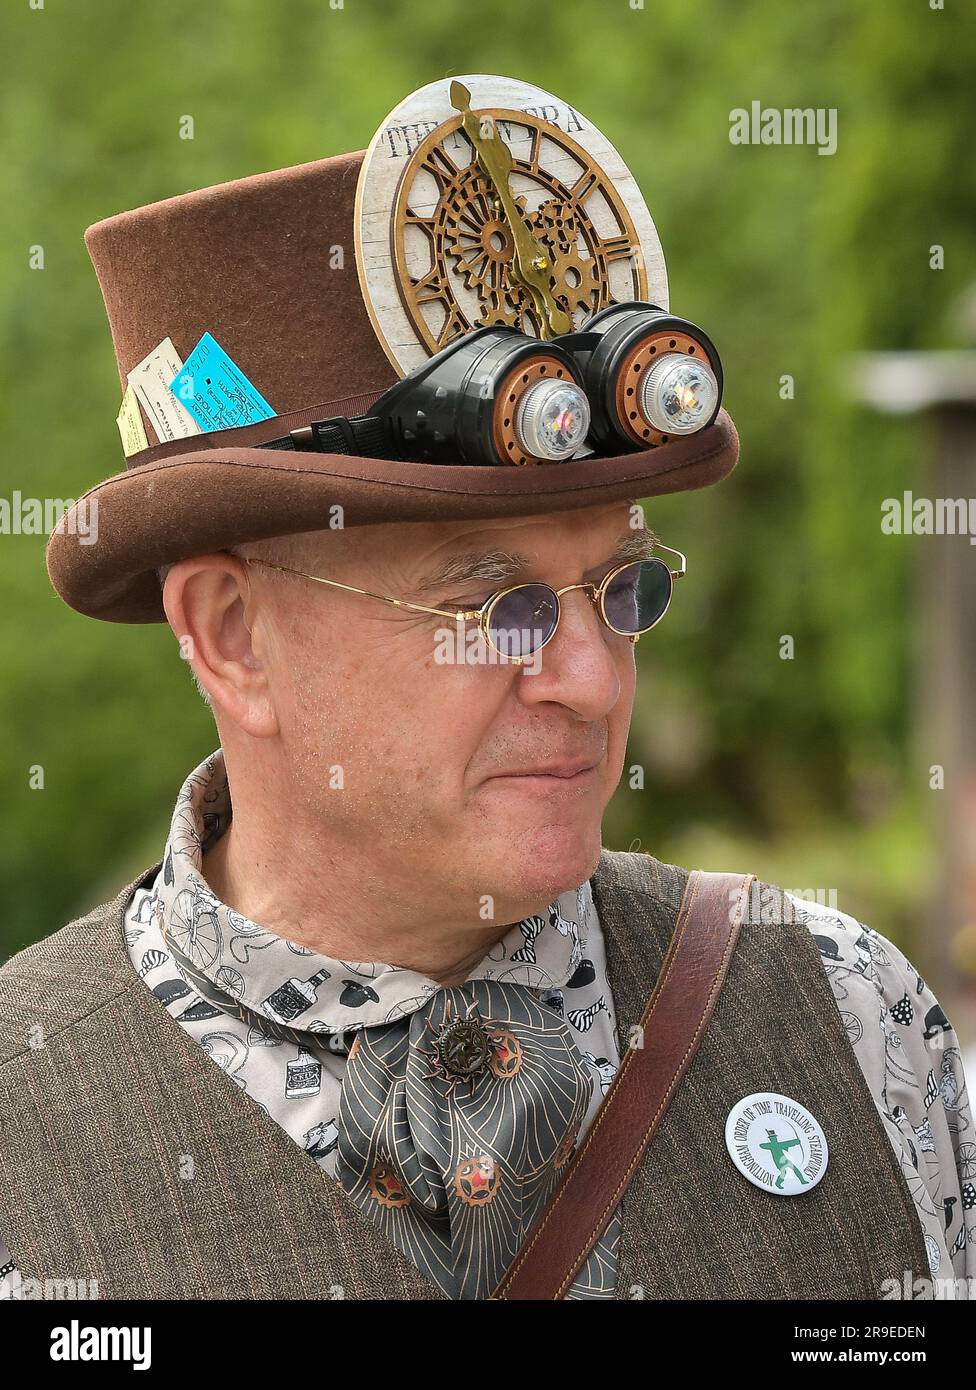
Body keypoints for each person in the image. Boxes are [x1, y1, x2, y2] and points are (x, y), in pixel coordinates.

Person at [1, 104, 971, 1301]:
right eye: (493, 602)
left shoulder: (846, 1012)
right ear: (232, 635)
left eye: (621, 585)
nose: (590, 675)